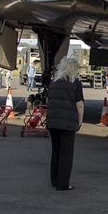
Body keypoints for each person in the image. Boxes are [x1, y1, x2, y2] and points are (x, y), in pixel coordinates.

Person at [45, 57, 84, 191]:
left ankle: (54, 180)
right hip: (67, 122)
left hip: (53, 121)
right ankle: (63, 183)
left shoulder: (54, 83)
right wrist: (79, 121)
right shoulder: (75, 84)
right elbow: (79, 104)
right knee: (66, 154)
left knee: (56, 151)